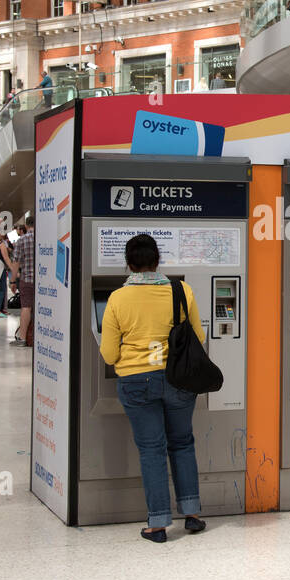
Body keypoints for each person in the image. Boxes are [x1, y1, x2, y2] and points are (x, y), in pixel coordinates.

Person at [98, 233, 205, 543]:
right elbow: (198, 336)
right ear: (158, 261)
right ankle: (192, 514)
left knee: (152, 450)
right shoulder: (181, 291)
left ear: (130, 264)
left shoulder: (118, 298)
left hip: (137, 381)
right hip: (178, 379)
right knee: (182, 443)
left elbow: (108, 354)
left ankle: (158, 524)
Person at [10, 215, 36, 346]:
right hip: (43, 279)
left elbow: (16, 262)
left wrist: (12, 281)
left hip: (27, 278)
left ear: (26, 226)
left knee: (26, 307)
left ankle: (23, 338)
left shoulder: (22, 240)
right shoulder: (45, 238)